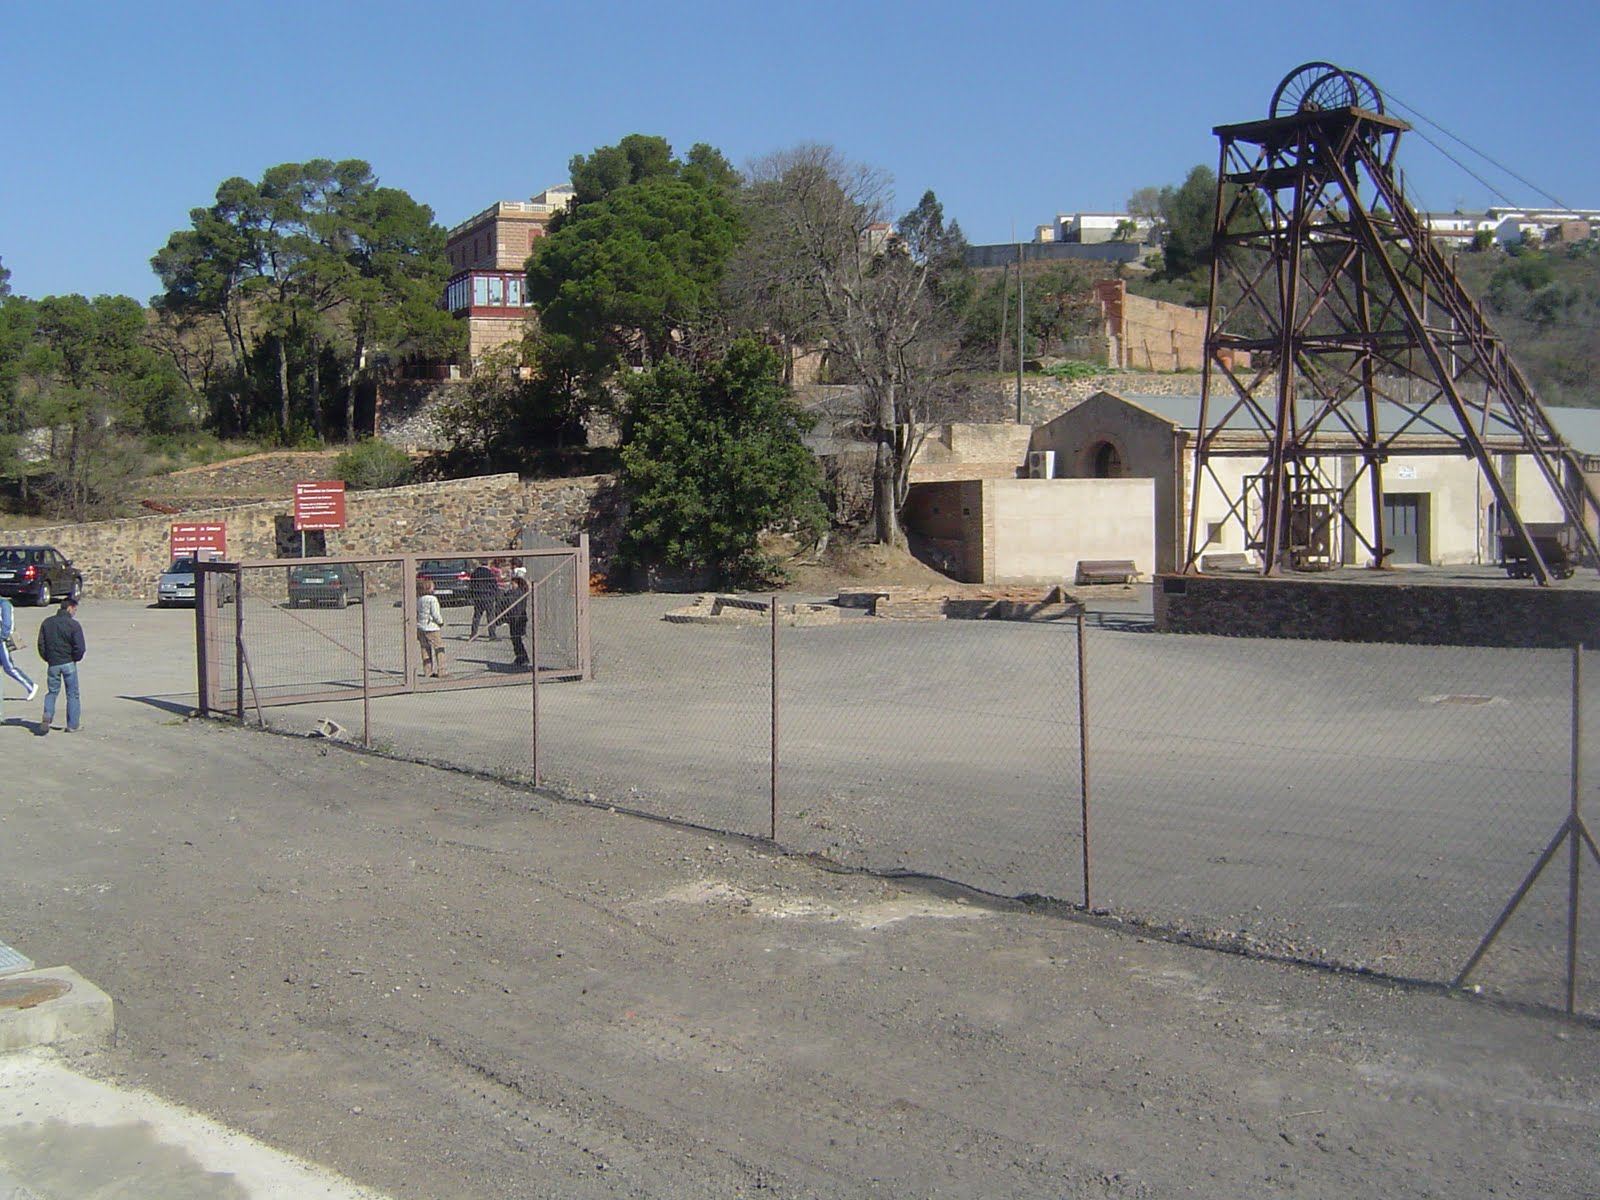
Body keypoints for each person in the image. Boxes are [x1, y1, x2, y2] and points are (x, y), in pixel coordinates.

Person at [36, 596, 85, 735]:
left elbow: (41, 644)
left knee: (52, 692)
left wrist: (48, 658)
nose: (75, 612)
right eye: (75, 609)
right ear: (70, 608)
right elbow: (80, 647)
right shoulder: (73, 625)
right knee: (73, 694)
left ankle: (48, 713)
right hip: (68, 662)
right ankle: (73, 725)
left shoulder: (47, 622)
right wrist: (75, 658)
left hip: (53, 663)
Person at [0, 594, 38, 721]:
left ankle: (31, 685)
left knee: (9, 667)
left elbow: (8, 624)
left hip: (1, 642)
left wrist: (3, 637)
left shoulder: (4, 604)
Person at [416, 576, 447, 678]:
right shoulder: (432, 599)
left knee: (425, 649)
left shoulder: (419, 599)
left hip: (421, 626)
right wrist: (440, 622)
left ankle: (427, 671)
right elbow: (435, 613)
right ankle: (441, 671)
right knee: (439, 648)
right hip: (432, 627)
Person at [503, 572, 531, 666]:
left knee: (516, 638)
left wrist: (506, 592)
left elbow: (508, 599)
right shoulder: (522, 591)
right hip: (517, 617)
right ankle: (520, 657)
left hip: (517, 618)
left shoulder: (517, 592)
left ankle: (522, 657)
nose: (512, 585)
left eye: (513, 583)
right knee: (516, 638)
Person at [468, 560, 500, 640]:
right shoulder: (490, 574)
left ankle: (473, 634)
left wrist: (472, 596)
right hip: (488, 597)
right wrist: (495, 595)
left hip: (478, 597)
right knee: (490, 616)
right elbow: (494, 586)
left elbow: (471, 585)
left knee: (476, 617)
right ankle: (492, 635)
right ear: (488, 563)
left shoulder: (475, 573)